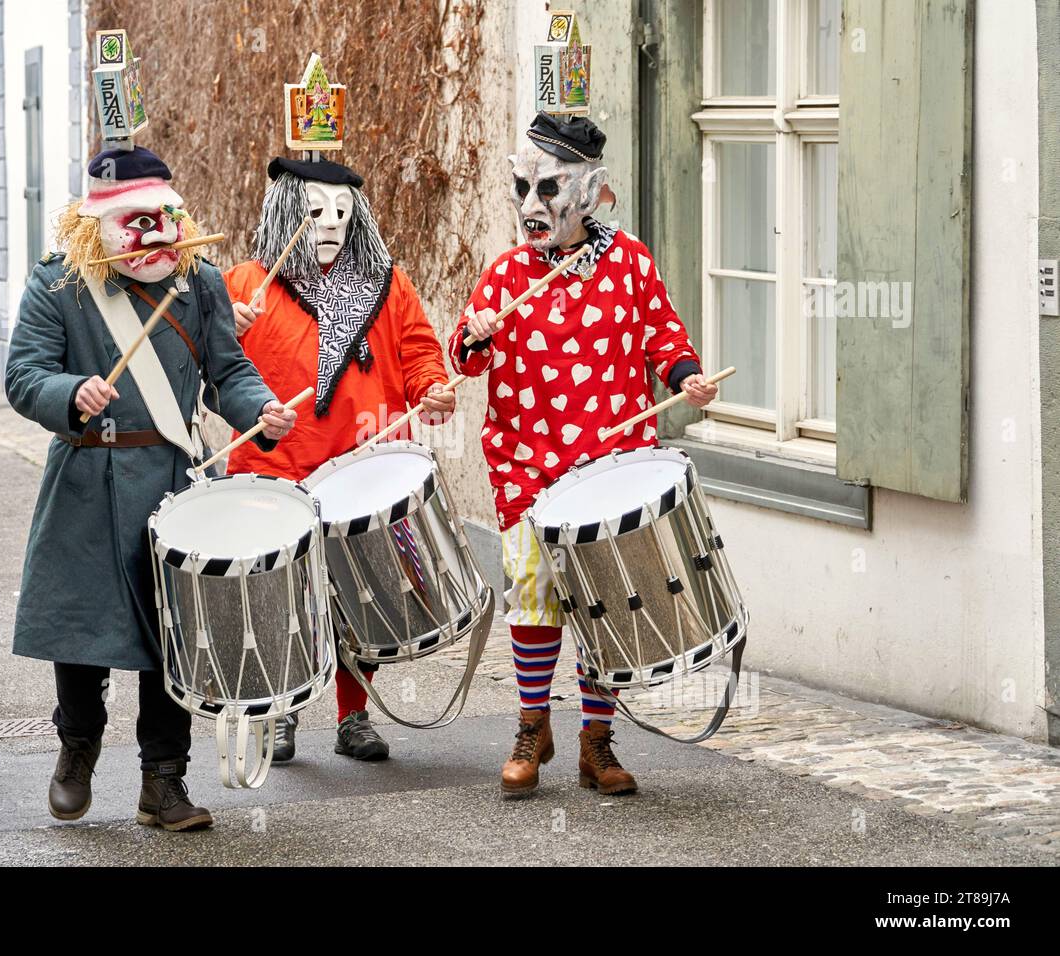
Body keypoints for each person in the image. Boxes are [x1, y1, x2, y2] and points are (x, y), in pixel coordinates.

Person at [5, 145, 297, 831]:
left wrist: (260, 411)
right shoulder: (59, 283)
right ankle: (77, 748)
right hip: (87, 480)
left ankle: (163, 785)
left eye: (163, 216)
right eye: (136, 221)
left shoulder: (198, 282)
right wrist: (72, 390)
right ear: (101, 221)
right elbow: (24, 376)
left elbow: (228, 369)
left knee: (177, 640)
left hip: (175, 481)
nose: (155, 234)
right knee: (82, 636)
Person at [449, 113, 718, 798]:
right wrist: (475, 334)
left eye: (549, 190)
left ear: (592, 191)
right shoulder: (506, 275)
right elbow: (467, 358)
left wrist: (686, 374)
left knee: (604, 602)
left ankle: (595, 742)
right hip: (528, 468)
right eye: (522, 189)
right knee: (536, 600)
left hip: (610, 466)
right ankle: (531, 726)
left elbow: (663, 332)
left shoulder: (629, 262)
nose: (532, 207)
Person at [225, 157, 456, 763]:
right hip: (273, 469)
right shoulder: (247, 285)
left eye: (341, 211)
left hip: (362, 469)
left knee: (366, 596)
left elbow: (419, 353)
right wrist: (226, 325)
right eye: (314, 211)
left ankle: (353, 716)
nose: (329, 223)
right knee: (280, 599)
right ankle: (279, 711)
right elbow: (208, 366)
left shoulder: (388, 283)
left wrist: (433, 387)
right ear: (286, 212)